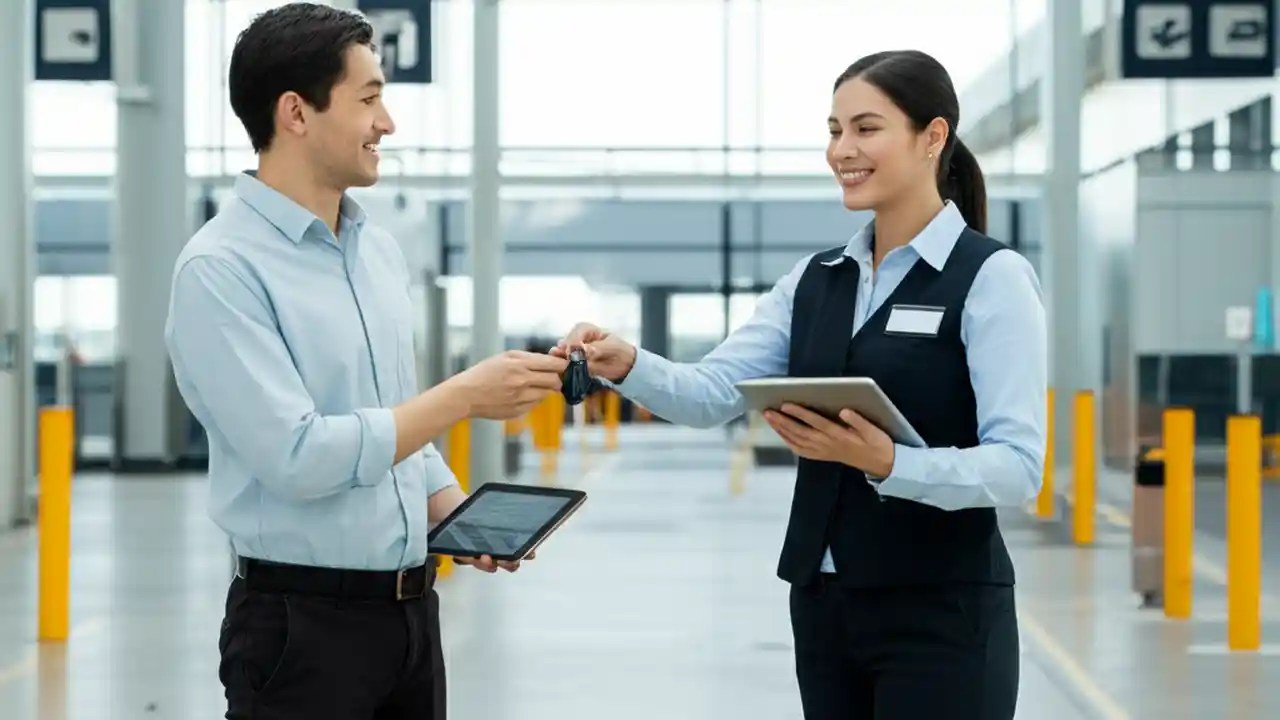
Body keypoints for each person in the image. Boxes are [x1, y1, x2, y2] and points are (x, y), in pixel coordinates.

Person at [553, 49, 1046, 720]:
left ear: (933, 137)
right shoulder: (818, 278)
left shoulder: (992, 278)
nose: (842, 149)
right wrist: (627, 362)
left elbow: (1018, 468)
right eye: (834, 129)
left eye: (866, 128)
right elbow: (711, 394)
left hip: (943, 610)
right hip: (825, 605)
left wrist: (888, 463)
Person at [164, 4, 567, 718]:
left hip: (412, 616)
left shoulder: (375, 250)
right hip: (301, 631)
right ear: (295, 112)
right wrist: (466, 396)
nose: (388, 123)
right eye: (370, 98)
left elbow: (391, 420)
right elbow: (296, 455)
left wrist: (454, 513)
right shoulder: (220, 270)